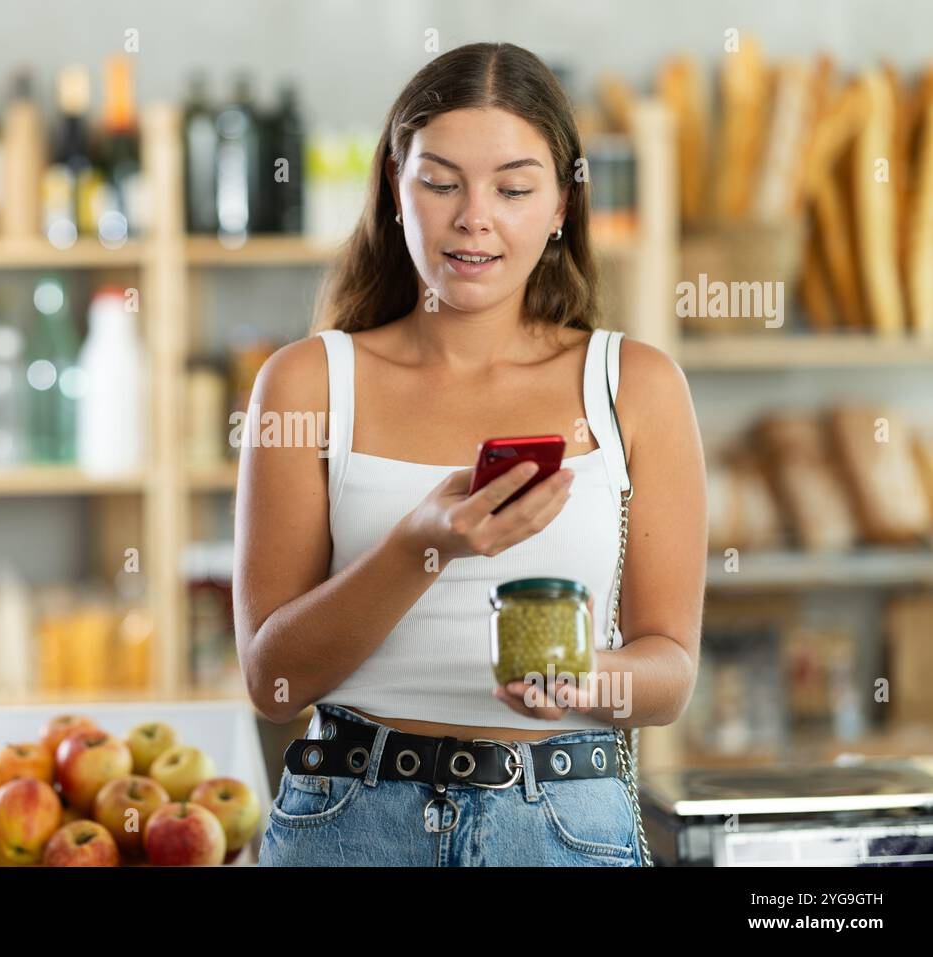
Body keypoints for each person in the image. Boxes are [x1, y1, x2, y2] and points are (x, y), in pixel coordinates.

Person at [234, 41, 706, 866]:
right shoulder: (307, 383)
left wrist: (580, 679)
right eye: (441, 182)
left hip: (565, 825)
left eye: (514, 187)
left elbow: (669, 671)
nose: (473, 217)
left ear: (562, 202)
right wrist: (424, 544)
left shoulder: (636, 385)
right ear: (394, 187)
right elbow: (273, 682)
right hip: (351, 819)